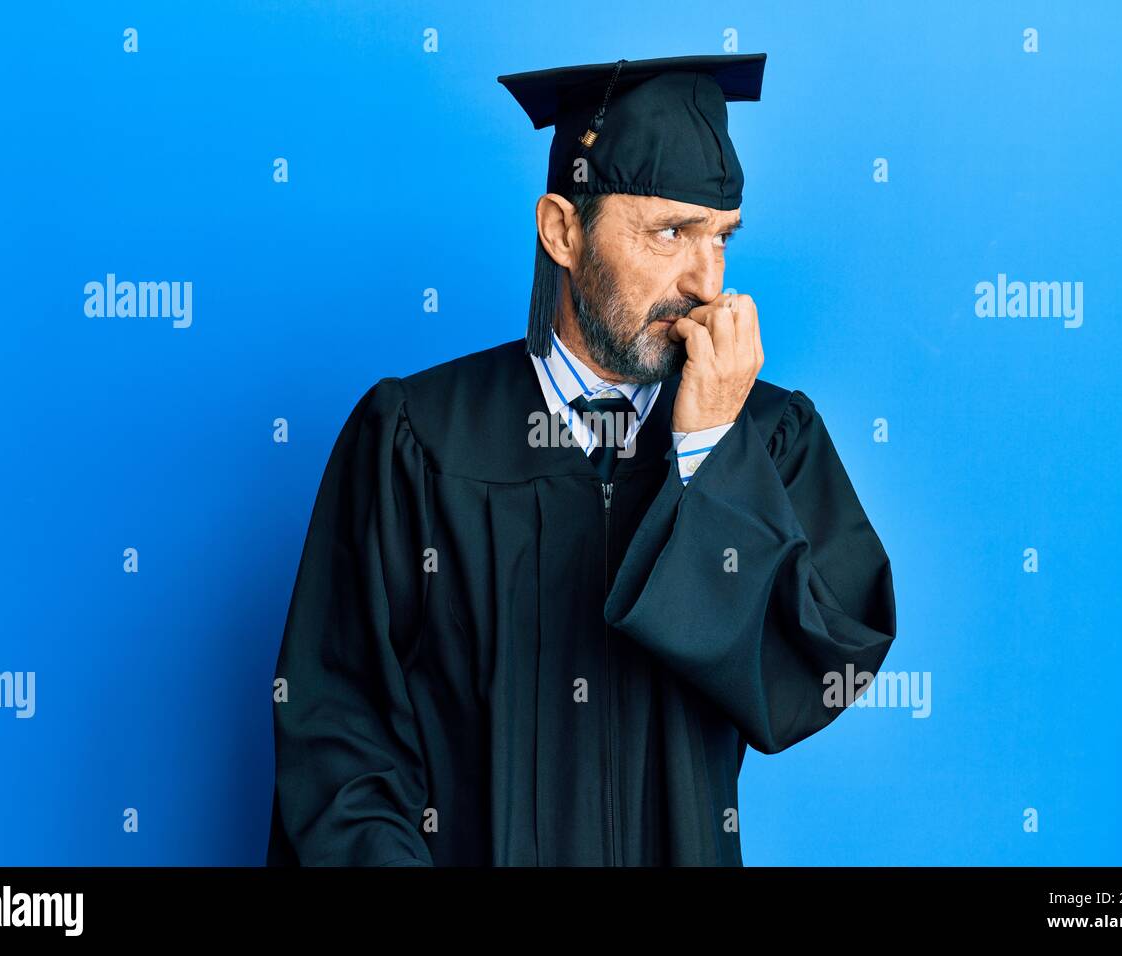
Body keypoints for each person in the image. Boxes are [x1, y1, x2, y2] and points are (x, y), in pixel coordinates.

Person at [266, 52, 897, 866]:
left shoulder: (768, 436)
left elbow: (810, 672)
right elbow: (339, 738)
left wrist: (708, 449)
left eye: (722, 237)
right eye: (671, 231)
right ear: (562, 230)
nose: (708, 283)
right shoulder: (418, 439)